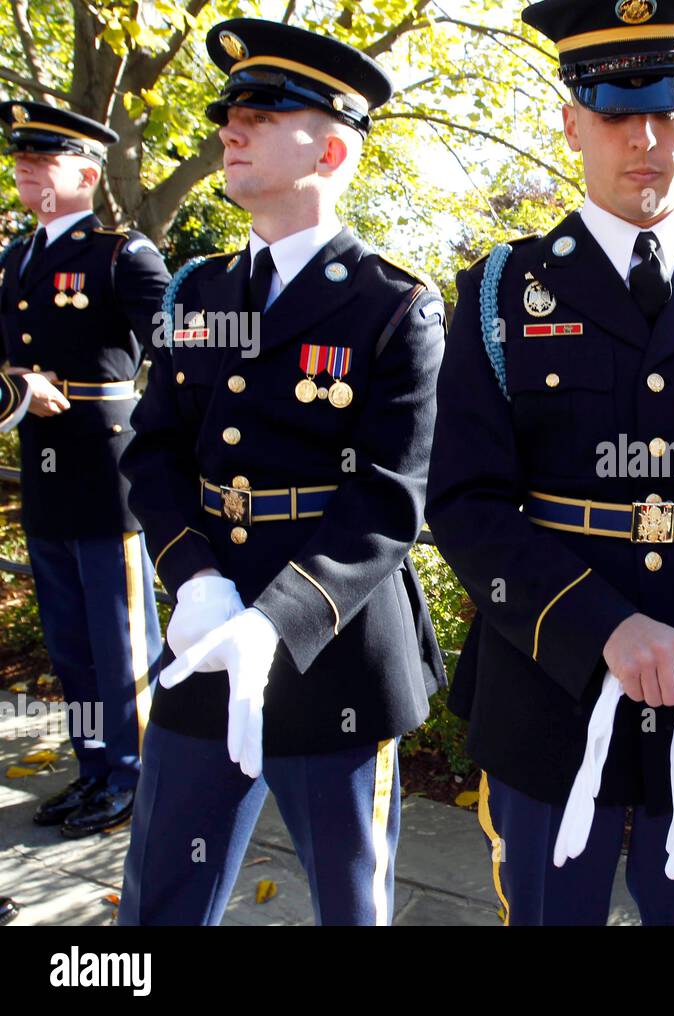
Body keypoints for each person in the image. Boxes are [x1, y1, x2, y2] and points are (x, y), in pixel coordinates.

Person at [425, 0, 674, 927]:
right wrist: (600, 626)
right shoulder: (499, 292)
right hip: (550, 691)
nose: (644, 138)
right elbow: (467, 503)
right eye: (612, 113)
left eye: (666, 109)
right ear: (570, 123)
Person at [115, 18, 445, 926]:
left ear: (333, 147)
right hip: (207, 634)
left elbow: (391, 497)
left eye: (261, 112)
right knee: (159, 898)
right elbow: (155, 449)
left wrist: (274, 621)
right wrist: (198, 580)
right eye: (229, 110)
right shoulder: (201, 293)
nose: (230, 126)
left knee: (350, 902)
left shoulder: (394, 305)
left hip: (328, 645)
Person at [0, 101, 169, 839]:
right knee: (70, 641)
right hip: (43, 474)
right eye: (21, 160)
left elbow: (182, 355)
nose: (26, 170)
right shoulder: (14, 258)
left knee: (122, 639)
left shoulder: (119, 254)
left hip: (107, 474)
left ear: (87, 174)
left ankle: (141, 778)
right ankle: (96, 765)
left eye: (44, 160)